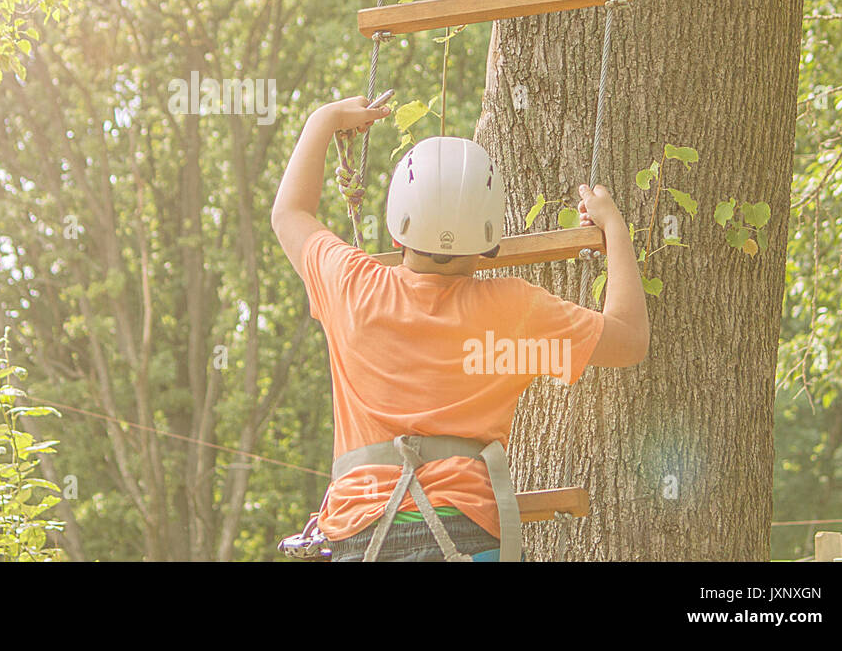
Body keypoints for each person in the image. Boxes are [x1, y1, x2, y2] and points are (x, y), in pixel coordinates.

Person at [270, 95, 649, 561]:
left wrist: (323, 120)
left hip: (361, 533)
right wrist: (615, 229)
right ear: (488, 240)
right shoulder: (513, 311)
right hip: (466, 535)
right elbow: (629, 340)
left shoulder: (353, 288)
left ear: (396, 232)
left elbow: (288, 214)